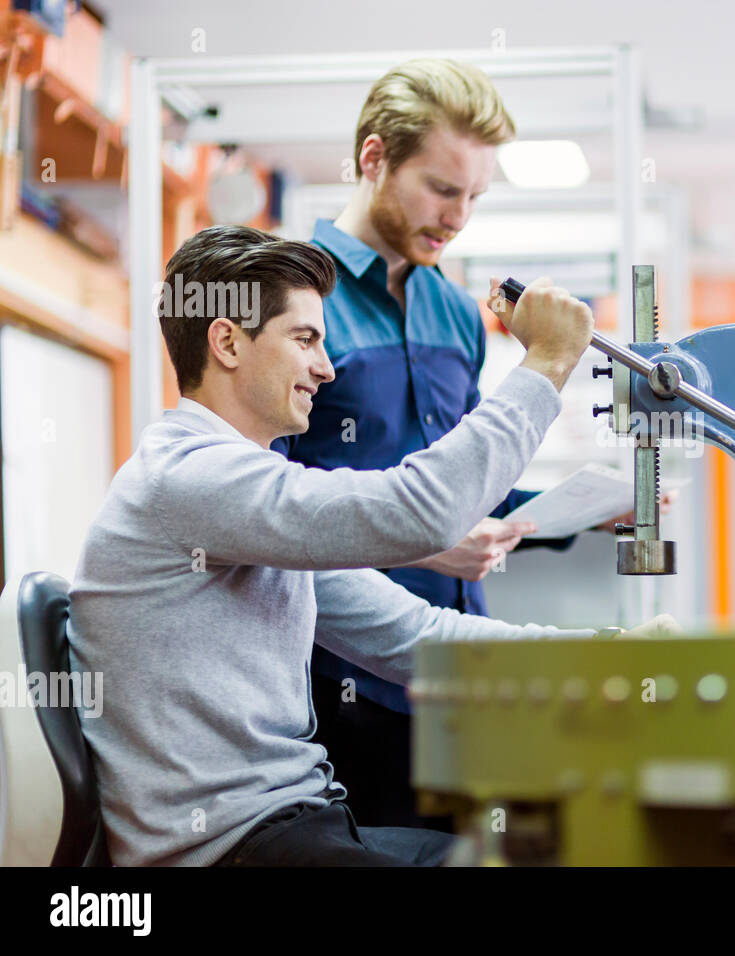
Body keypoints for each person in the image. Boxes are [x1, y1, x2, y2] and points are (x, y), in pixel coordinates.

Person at [67, 224, 598, 866]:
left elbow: (419, 640)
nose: (326, 367)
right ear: (228, 342)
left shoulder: (242, 498)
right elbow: (422, 512)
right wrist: (543, 366)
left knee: (536, 852)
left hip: (299, 822)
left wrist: (613, 657)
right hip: (230, 849)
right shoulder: (190, 478)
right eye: (306, 339)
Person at [273, 57, 648, 827]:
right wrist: (417, 544)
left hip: (461, 673)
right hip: (343, 678)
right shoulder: (296, 302)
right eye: (443, 189)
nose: (458, 215)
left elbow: (470, 486)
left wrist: (570, 511)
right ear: (373, 159)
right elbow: (267, 521)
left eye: (474, 195)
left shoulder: (454, 313)